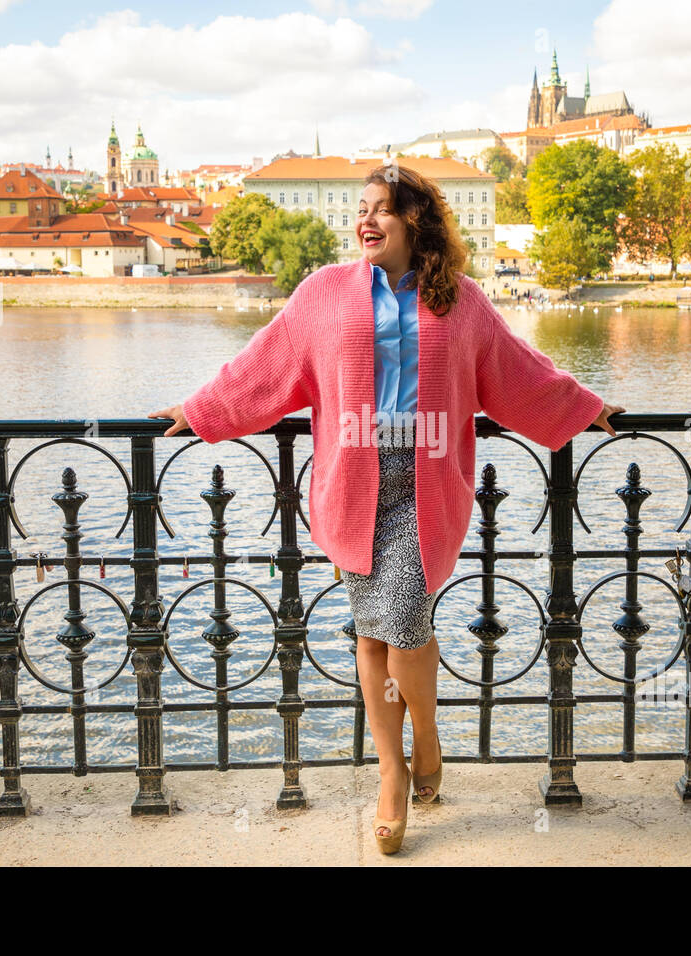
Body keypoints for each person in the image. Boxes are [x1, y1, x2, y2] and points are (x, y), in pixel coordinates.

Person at [149, 163, 624, 854]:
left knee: (402, 622)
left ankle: (420, 743)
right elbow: (265, 364)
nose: (365, 221)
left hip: (425, 479)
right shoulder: (325, 293)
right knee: (374, 635)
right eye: (361, 209)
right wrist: (200, 410)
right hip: (354, 479)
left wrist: (584, 406)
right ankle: (398, 768)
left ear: (415, 222)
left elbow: (517, 369)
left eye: (381, 211)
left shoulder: (458, 299)